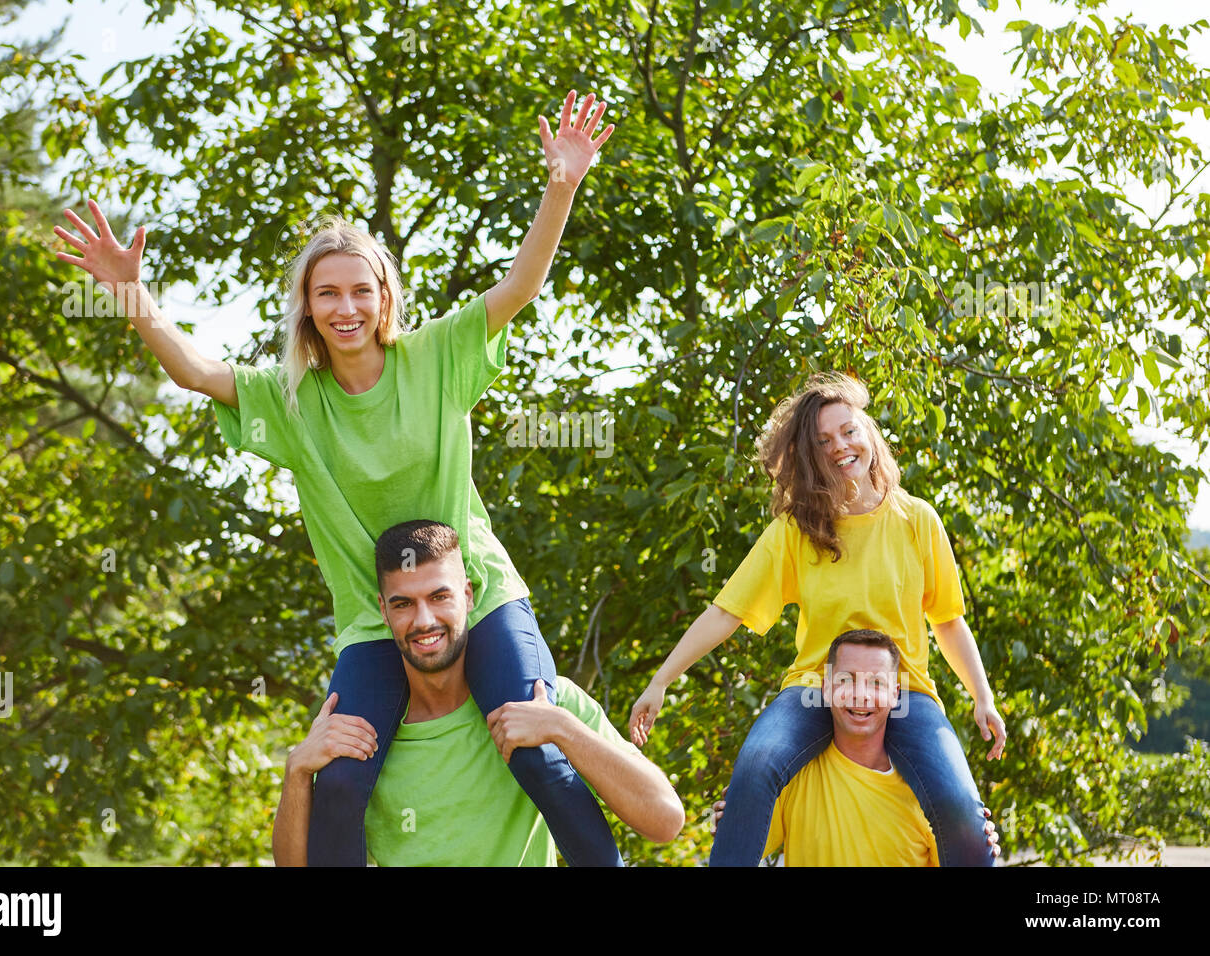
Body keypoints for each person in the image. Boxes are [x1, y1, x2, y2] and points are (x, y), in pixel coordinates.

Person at [53, 90, 622, 866]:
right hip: (369, 620)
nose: (346, 306)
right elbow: (194, 371)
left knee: (534, 751)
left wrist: (562, 185)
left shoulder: (437, 357)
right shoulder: (291, 402)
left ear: (385, 297)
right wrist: (130, 291)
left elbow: (520, 287)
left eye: (361, 289)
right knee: (344, 786)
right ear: (308, 310)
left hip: (478, 598)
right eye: (328, 293)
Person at [629, 372, 1007, 866]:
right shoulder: (797, 530)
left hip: (905, 694)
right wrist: (661, 680)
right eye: (824, 441)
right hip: (816, 688)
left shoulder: (917, 521)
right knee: (758, 765)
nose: (841, 446)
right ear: (810, 456)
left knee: (962, 812)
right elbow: (726, 611)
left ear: (868, 431)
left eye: (849, 430)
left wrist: (983, 697)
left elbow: (949, 621)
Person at [272, 520, 684, 866]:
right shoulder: (360, 734)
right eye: (403, 604)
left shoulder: (540, 704)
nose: (424, 620)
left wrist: (562, 729)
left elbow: (664, 820)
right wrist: (297, 772)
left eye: (440, 596)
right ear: (383, 611)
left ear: (468, 596)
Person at [711, 630, 1001, 866]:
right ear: (825, 688)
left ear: (894, 695)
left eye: (876, 683)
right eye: (846, 680)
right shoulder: (792, 776)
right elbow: (742, 841)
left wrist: (974, 835)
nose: (861, 696)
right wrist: (732, 813)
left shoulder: (930, 793)